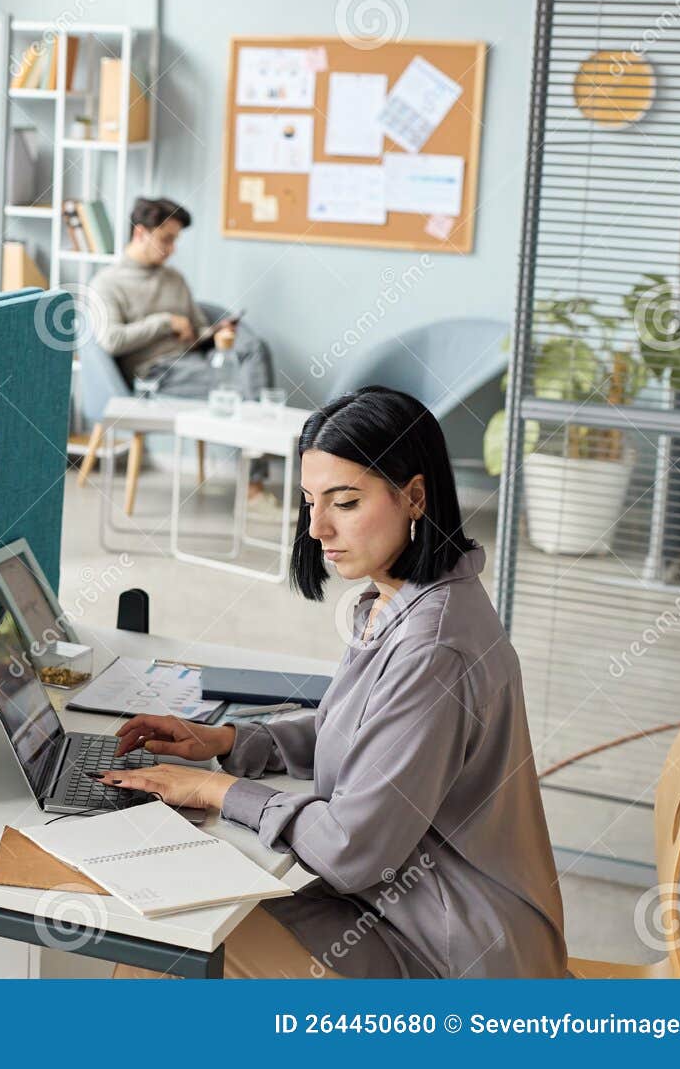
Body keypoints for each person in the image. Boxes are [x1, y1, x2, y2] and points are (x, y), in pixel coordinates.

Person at [98, 386, 567, 978]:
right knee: (174, 931)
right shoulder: (400, 598)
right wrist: (229, 742)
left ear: (414, 496)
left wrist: (215, 790)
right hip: (395, 911)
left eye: (344, 502)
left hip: (454, 953)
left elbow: (349, 850)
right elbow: (360, 733)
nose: (317, 527)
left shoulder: (434, 647)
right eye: (309, 501)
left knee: (164, 952)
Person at [88, 196, 276, 499]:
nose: (172, 248)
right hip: (158, 372)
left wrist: (215, 333)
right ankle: (255, 484)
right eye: (166, 239)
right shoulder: (107, 283)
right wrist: (165, 322)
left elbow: (197, 329)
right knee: (237, 388)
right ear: (140, 233)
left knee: (255, 348)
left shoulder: (174, 278)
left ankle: (255, 471)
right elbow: (111, 340)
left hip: (195, 359)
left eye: (175, 240)